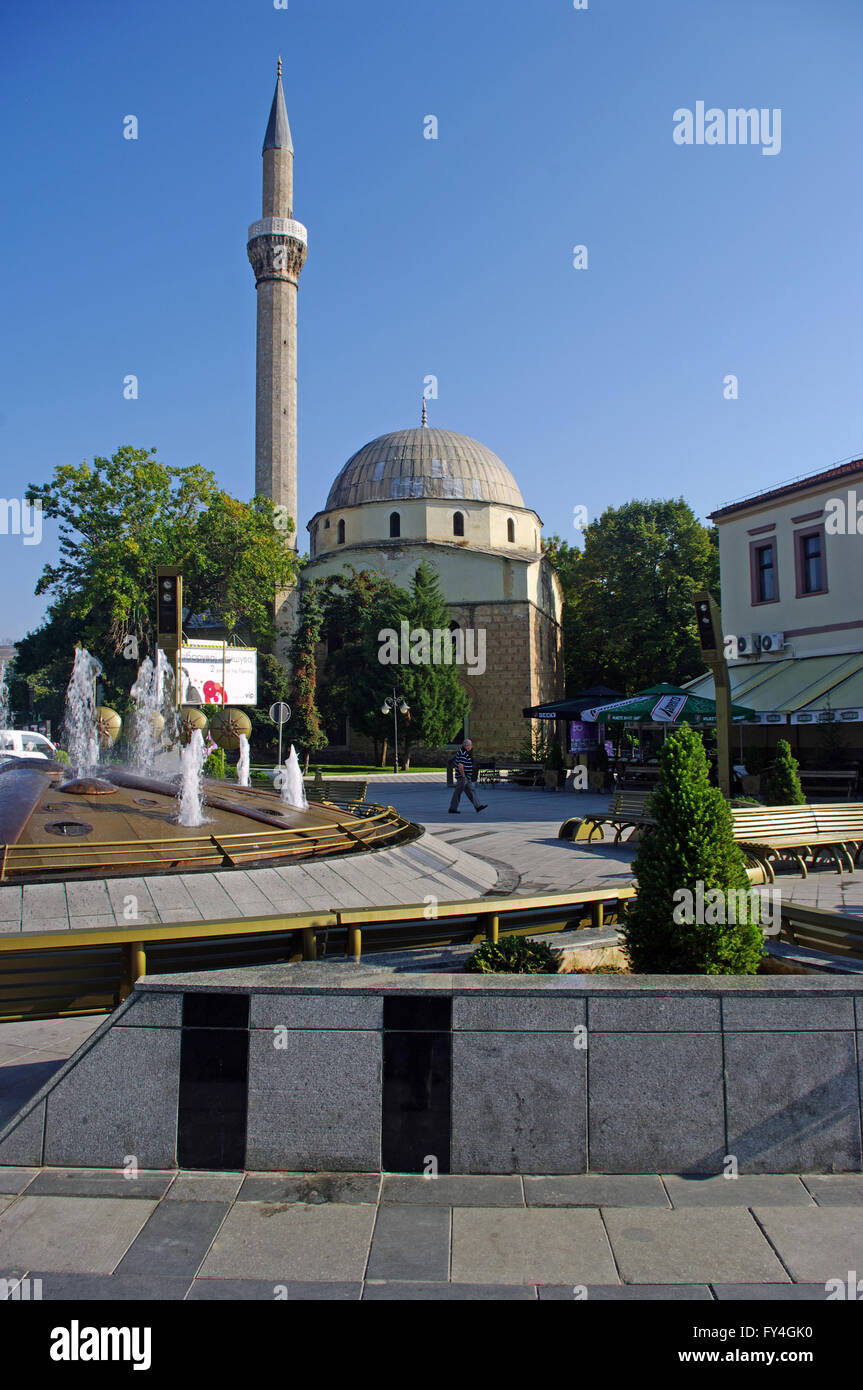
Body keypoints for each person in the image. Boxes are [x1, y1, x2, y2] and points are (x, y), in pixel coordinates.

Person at [448, 738, 487, 814]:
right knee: (457, 793)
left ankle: (478, 806)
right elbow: (460, 765)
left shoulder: (464, 752)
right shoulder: (463, 753)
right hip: (463, 777)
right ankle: (452, 808)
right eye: (470, 745)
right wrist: (463, 776)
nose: (471, 747)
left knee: (471, 791)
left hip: (466, 778)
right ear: (467, 746)